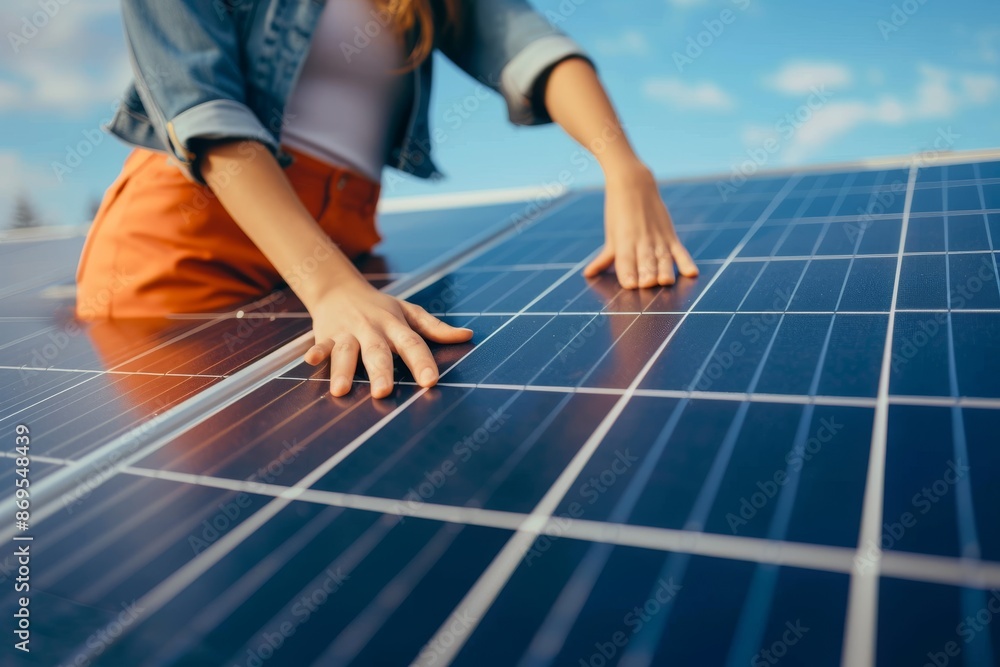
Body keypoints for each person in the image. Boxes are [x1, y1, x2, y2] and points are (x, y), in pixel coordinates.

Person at [75, 0, 699, 399]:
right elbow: (201, 108)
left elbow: (527, 44)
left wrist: (623, 165)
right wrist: (328, 285)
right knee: (220, 483)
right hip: (188, 250)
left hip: (342, 251)